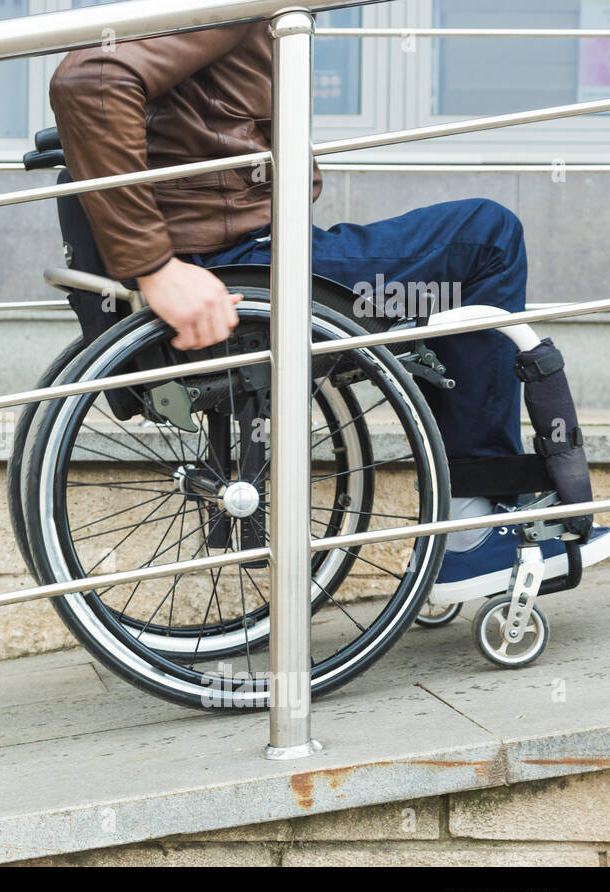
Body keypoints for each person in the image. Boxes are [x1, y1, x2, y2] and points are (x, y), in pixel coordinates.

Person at [48, 20, 608, 596]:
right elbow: (91, 79)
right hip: (245, 263)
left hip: (244, 248)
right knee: (487, 237)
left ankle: (472, 509)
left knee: (446, 272)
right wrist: (157, 268)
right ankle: (467, 527)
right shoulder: (233, 5)